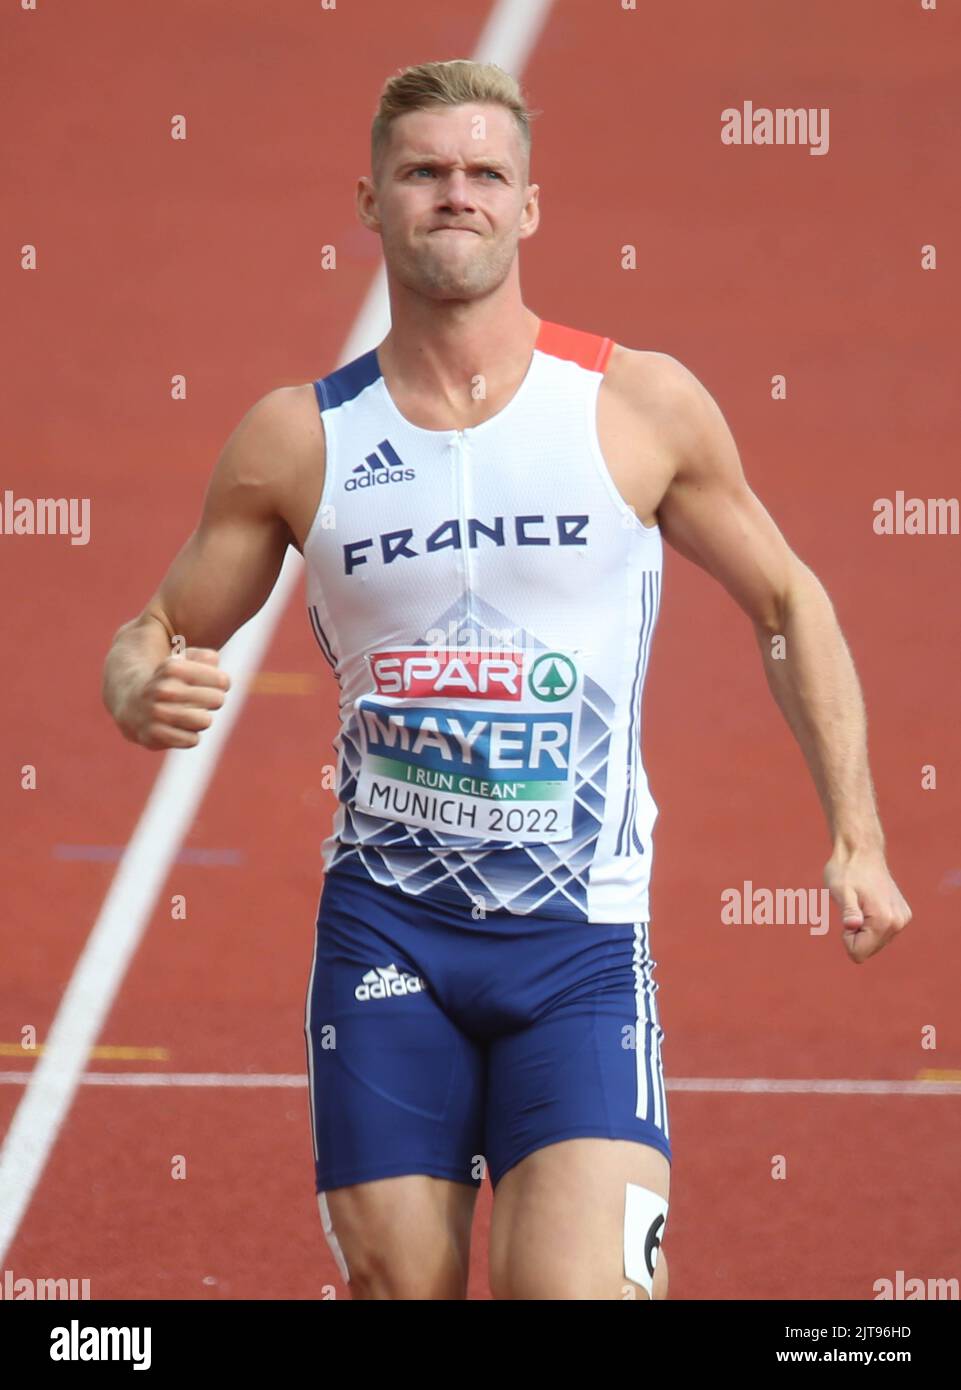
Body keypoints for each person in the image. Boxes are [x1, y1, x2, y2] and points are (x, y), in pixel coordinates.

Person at [102, 59, 912, 1301]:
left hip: (581, 948)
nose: (455, 195)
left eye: (485, 173)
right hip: (386, 935)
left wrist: (855, 831)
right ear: (369, 200)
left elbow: (788, 600)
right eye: (423, 172)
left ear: (528, 208)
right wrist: (133, 686)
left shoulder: (639, 406)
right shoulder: (297, 439)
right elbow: (156, 625)